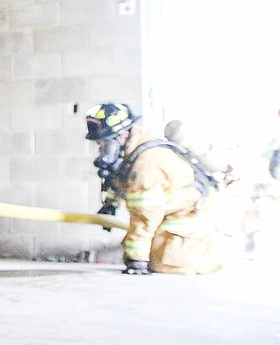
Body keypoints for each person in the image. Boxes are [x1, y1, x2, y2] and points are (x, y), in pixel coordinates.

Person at [84, 103, 222, 275]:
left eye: (104, 142)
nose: (102, 148)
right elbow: (121, 180)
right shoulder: (135, 150)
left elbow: (145, 216)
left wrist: (137, 261)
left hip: (186, 228)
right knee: (144, 249)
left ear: (123, 135)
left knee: (162, 263)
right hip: (172, 219)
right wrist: (111, 203)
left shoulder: (146, 165)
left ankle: (203, 259)